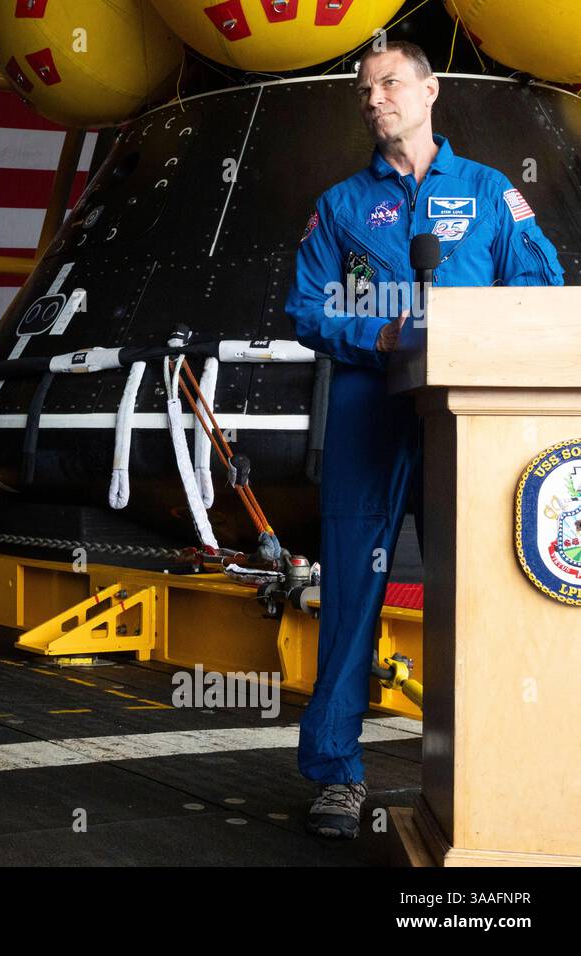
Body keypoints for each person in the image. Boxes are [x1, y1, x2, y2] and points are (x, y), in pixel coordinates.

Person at [285, 42, 564, 837]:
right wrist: (380, 334)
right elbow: (305, 310)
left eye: (392, 83)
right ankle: (337, 777)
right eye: (366, 90)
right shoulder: (340, 207)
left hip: (467, 432)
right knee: (349, 604)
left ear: (431, 90)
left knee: (485, 602)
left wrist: (478, 334)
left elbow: (542, 289)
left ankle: (493, 765)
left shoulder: (488, 194)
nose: (377, 99)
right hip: (368, 424)